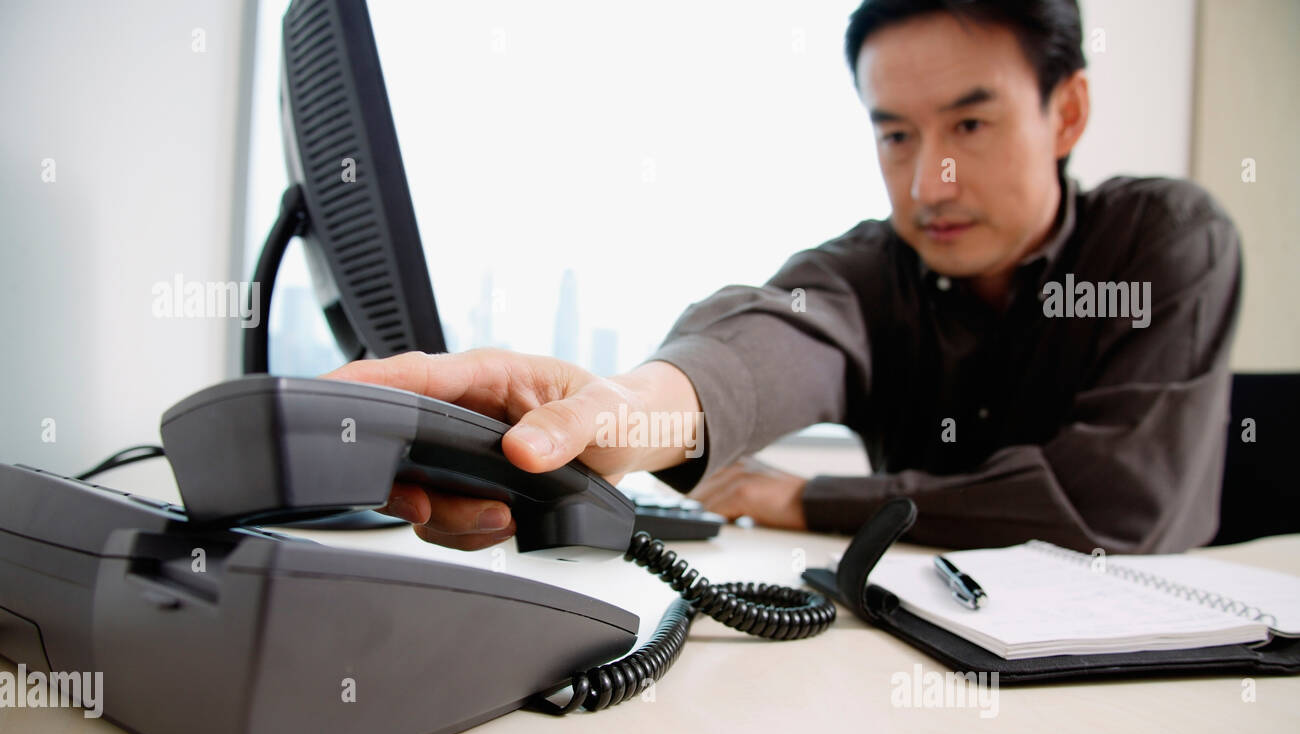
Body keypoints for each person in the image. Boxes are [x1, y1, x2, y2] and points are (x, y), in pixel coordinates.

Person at [325, 0, 1242, 555]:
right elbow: (774, 338)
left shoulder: (1167, 241)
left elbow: (1113, 507)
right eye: (894, 134)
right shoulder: (874, 269)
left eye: (969, 126)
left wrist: (806, 498)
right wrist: (627, 413)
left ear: (1068, 110)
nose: (928, 185)